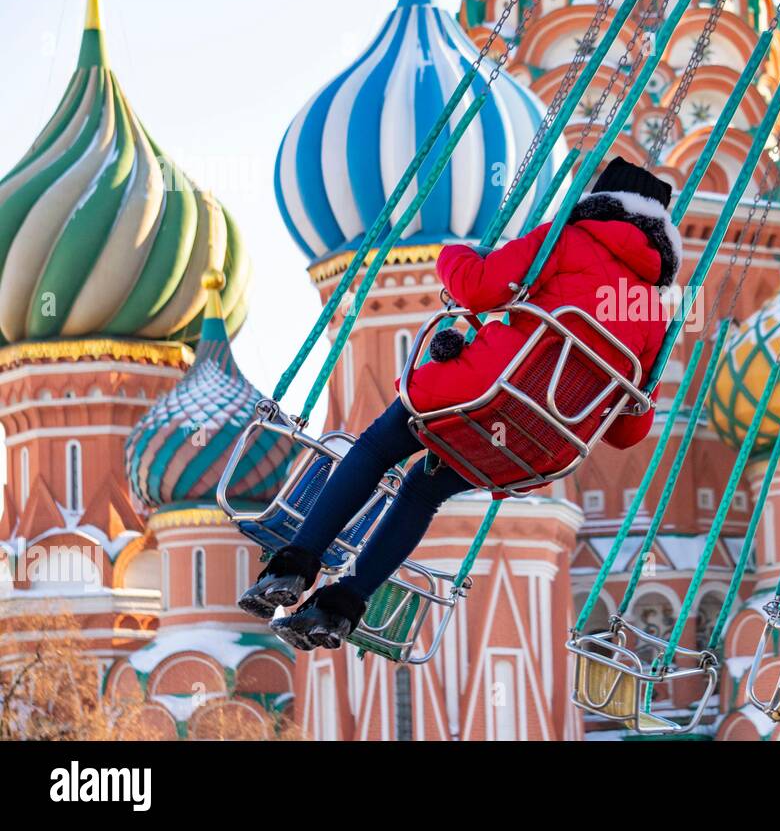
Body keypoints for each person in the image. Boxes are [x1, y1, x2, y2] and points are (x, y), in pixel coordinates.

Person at [239, 158, 681, 651]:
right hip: (541, 446)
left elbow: (478, 287)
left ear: (597, 205)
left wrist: (454, 255)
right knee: (424, 491)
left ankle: (296, 564)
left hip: (483, 395)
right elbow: (627, 433)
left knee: (377, 447)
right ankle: (341, 606)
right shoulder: (653, 312)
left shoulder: (565, 239)